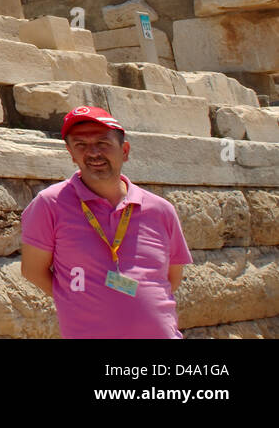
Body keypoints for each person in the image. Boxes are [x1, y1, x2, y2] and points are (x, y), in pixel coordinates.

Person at [20, 105, 192, 338]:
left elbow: (171, 279)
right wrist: (77, 298)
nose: (93, 152)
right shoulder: (50, 204)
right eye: (81, 145)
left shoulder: (161, 210)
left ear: (125, 150)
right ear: (71, 153)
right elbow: (33, 271)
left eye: (103, 143)